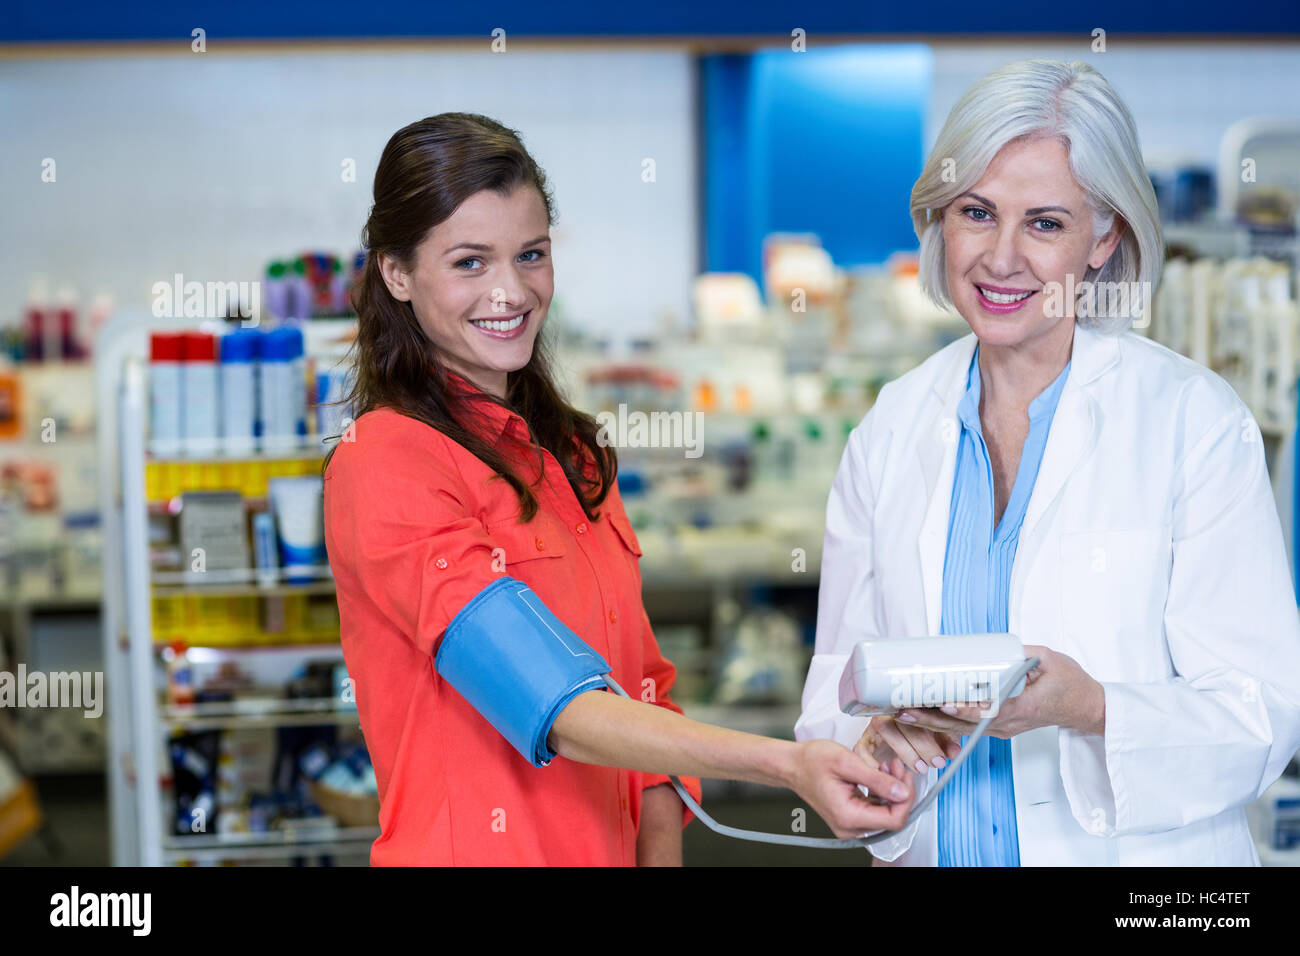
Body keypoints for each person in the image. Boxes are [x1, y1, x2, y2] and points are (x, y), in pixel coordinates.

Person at [322, 112, 914, 866]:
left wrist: (658, 851)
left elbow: (643, 691)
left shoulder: (570, 451)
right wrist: (788, 764)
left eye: (530, 255)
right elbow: (556, 704)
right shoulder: (387, 462)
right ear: (397, 273)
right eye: (470, 262)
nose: (511, 291)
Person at [796, 59, 1300, 866]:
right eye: (977, 212)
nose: (1000, 258)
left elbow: (1261, 715)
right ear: (939, 220)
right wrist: (867, 741)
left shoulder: (1191, 424)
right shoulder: (891, 428)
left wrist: (1091, 706)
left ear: (1104, 240)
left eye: (1045, 224)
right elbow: (837, 681)